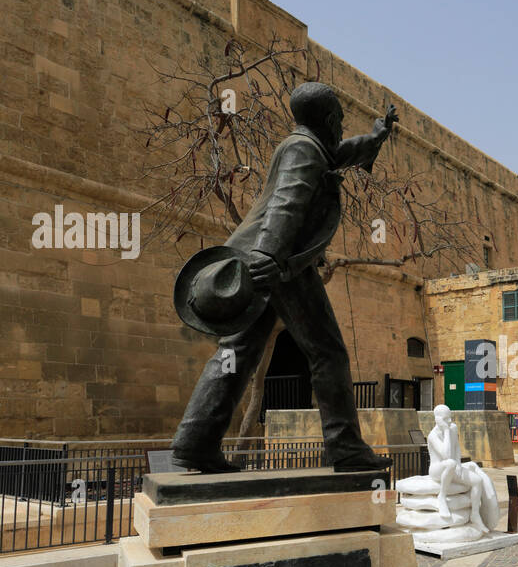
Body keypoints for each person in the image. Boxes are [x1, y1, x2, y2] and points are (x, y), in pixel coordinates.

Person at [169, 82, 398, 473]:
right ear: (328, 119)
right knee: (327, 352)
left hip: (262, 261)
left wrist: (375, 137)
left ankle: (195, 441)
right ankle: (344, 447)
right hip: (277, 263)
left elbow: (339, 155)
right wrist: (267, 259)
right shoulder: (302, 150)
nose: (342, 127)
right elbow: (286, 204)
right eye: (340, 120)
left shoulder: (306, 146)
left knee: (236, 353)